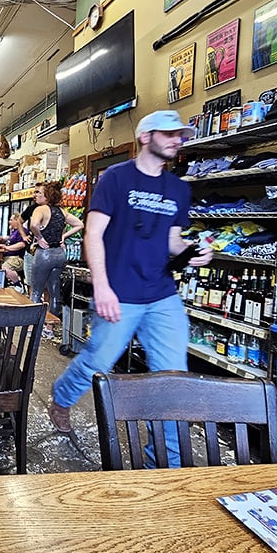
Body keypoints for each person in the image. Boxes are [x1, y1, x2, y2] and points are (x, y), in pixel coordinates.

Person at [48, 110, 213, 467]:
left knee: (171, 379)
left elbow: (173, 239)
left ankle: (162, 465)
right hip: (118, 291)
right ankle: (61, 396)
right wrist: (102, 287)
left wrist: (192, 252)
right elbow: (93, 234)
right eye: (169, 134)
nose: (177, 140)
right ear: (145, 137)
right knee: (98, 360)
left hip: (162, 296)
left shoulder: (178, 189)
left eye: (180, 135)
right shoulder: (115, 179)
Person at [30, 181, 84, 336]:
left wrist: (39, 237)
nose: (36, 195)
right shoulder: (62, 211)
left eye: (39, 192)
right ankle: (50, 329)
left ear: (46, 195)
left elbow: (34, 224)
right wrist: (63, 236)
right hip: (59, 254)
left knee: (36, 291)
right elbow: (79, 224)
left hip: (44, 254)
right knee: (54, 292)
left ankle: (33, 328)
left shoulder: (40, 210)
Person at [0, 212, 27, 290]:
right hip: (6, 256)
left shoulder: (22, 231)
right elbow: (10, 239)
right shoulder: (14, 232)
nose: (9, 222)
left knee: (4, 267)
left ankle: (17, 285)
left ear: (17, 221)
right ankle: (0, 284)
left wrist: (7, 248)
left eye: (11, 220)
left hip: (16, 258)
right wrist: (2, 239)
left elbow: (22, 244)